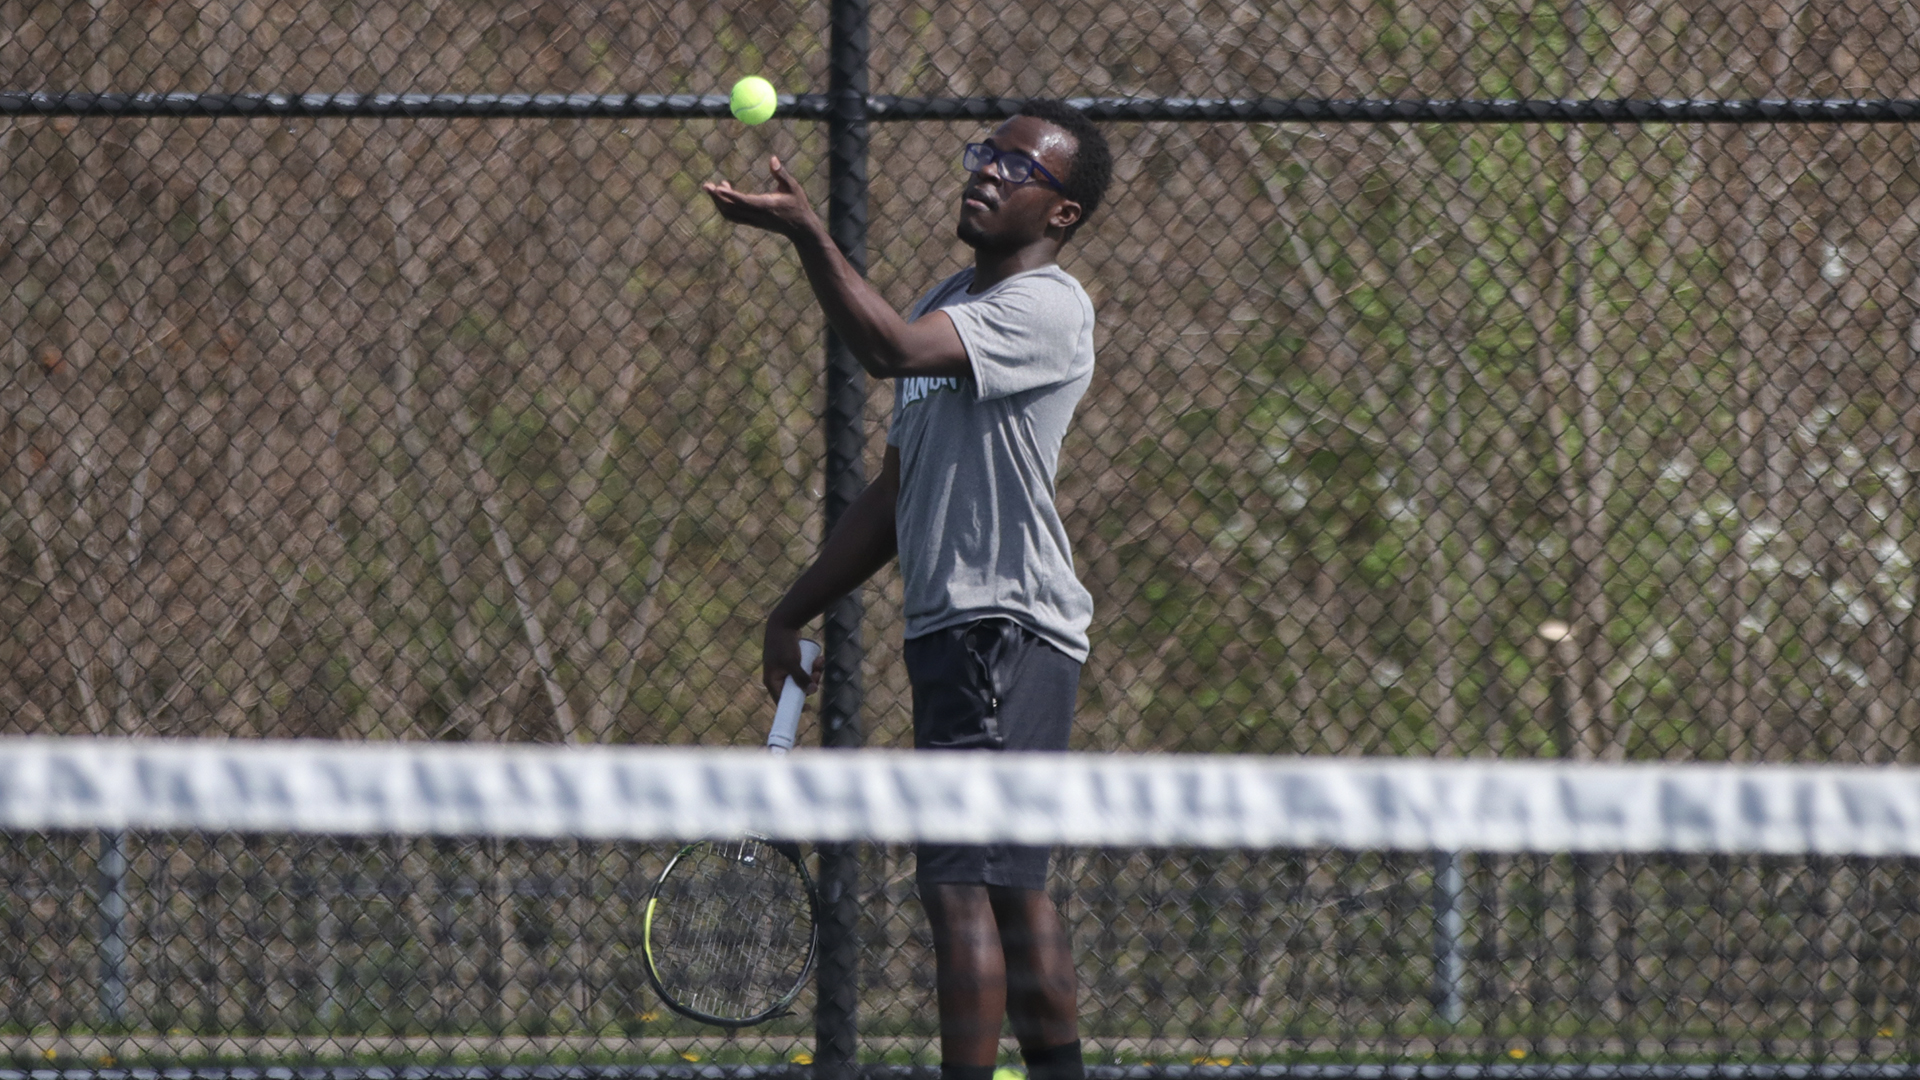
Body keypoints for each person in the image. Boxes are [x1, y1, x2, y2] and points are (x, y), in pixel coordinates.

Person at [702, 99, 1112, 1080]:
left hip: (1007, 628)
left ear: (1062, 213)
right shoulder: (949, 300)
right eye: (985, 154)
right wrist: (792, 609)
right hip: (954, 630)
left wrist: (808, 235)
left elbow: (885, 346)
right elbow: (896, 490)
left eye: (1017, 167)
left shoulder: (1050, 306)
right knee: (1005, 891)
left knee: (966, 888)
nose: (987, 171)